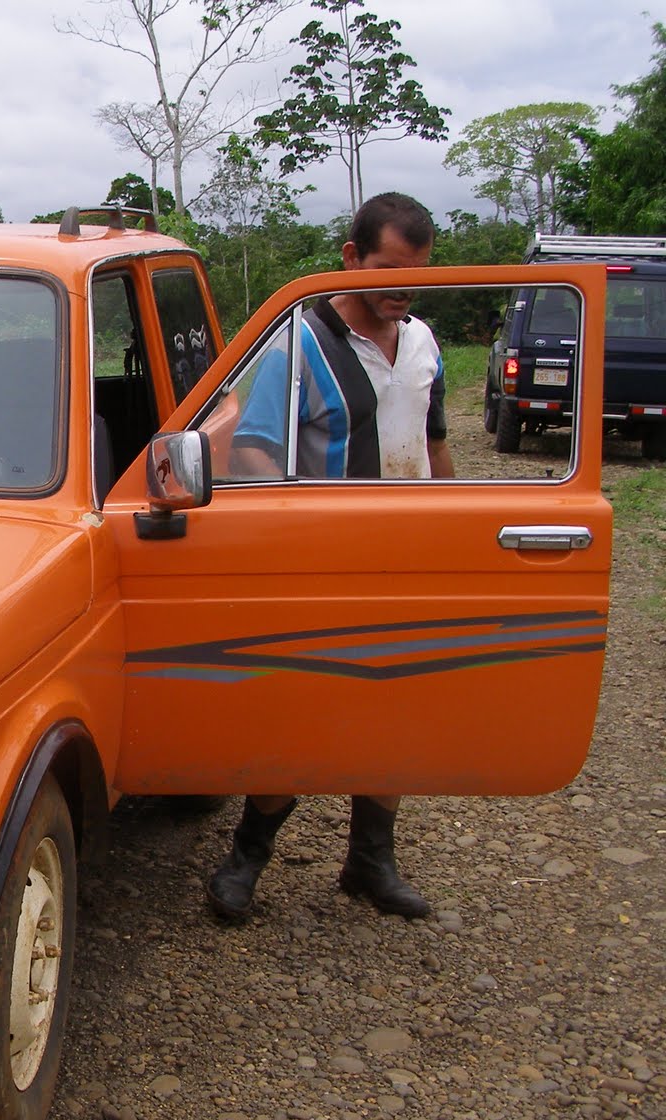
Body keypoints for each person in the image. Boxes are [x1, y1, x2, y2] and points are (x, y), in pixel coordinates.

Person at [207, 192, 451, 923]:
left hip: (407, 562)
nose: (403, 290)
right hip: (326, 565)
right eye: (388, 271)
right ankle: (247, 857)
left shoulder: (423, 342)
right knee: (302, 709)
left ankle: (370, 863)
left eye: (417, 276)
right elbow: (253, 450)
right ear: (351, 258)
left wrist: (459, 526)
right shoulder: (300, 344)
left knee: (394, 710)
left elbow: (435, 440)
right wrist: (298, 532)